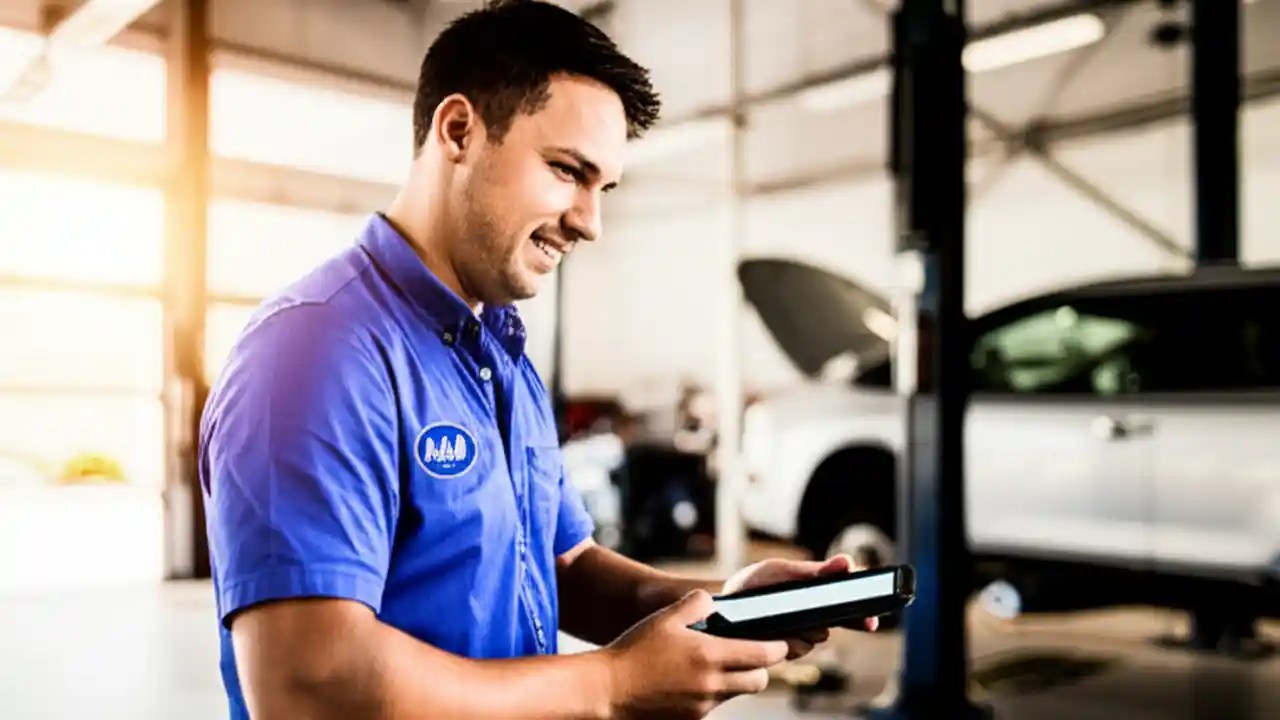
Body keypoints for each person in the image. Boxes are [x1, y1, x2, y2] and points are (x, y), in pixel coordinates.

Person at [199, 2, 873, 718]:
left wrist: (724, 605)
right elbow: (307, 683)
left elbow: (562, 567)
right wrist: (613, 685)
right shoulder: (313, 353)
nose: (590, 221)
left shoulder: (500, 355)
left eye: (602, 187)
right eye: (566, 171)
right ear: (458, 130)